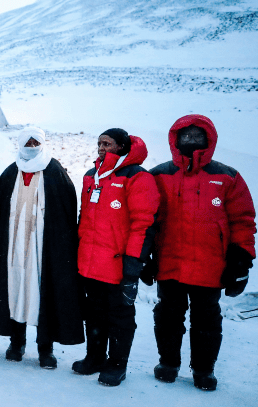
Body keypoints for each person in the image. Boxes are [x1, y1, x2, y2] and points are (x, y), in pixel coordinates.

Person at [146, 114, 256, 391]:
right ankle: (168, 363)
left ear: (210, 140)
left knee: (207, 320)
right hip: (169, 262)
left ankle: (204, 370)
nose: (192, 141)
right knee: (168, 317)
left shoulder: (227, 176)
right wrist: (142, 256)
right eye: (186, 136)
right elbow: (146, 218)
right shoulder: (159, 175)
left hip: (210, 266)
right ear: (175, 140)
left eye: (198, 137)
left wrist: (241, 259)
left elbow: (243, 220)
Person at [0, 127, 84, 368]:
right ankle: (17, 343)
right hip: (14, 244)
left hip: (44, 246)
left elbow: (66, 209)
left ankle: (45, 348)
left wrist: (61, 244)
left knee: (42, 291)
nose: (32, 146)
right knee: (16, 289)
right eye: (28, 142)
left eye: (36, 141)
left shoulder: (55, 170)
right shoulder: (10, 172)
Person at [73, 128, 159, 387]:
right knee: (94, 313)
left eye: (107, 144)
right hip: (90, 261)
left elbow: (143, 223)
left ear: (122, 147)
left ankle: (117, 364)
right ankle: (95, 358)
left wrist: (134, 264)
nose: (101, 147)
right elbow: (84, 218)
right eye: (99, 143)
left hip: (119, 263)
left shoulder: (137, 177)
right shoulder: (92, 176)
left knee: (120, 316)